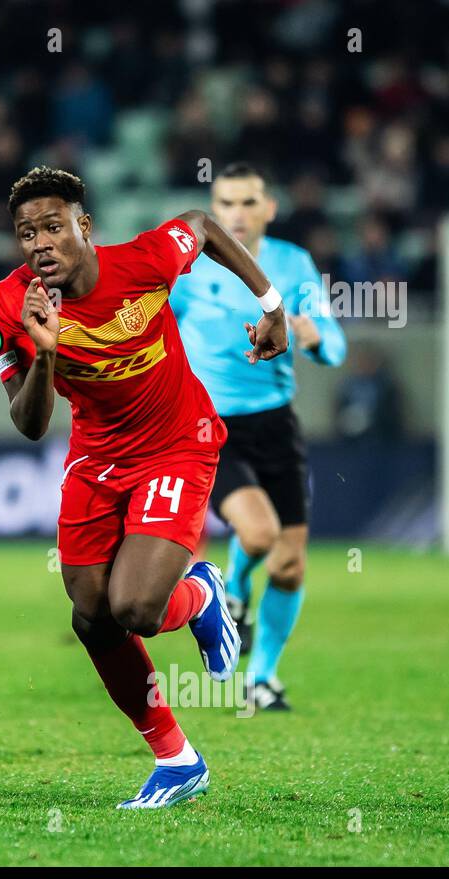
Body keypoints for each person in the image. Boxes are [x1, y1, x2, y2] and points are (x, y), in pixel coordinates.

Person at [0, 166, 289, 808]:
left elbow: (202, 227)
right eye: (25, 234)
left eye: (51, 226)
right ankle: (177, 760)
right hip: (96, 459)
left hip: (177, 444)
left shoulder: (144, 261)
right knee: (91, 616)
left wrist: (271, 306)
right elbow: (30, 423)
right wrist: (43, 355)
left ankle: (200, 596)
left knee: (136, 610)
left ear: (83, 226)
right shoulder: (13, 304)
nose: (39, 243)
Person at [171, 163, 347, 712]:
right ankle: (233, 593)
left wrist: (315, 337)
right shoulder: (188, 269)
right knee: (259, 533)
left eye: (248, 203)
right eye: (225, 204)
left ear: (268, 207)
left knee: (291, 565)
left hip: (276, 423)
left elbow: (335, 346)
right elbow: (149, 327)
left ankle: (262, 679)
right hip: (211, 428)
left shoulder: (292, 264)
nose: (237, 215)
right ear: (212, 209)